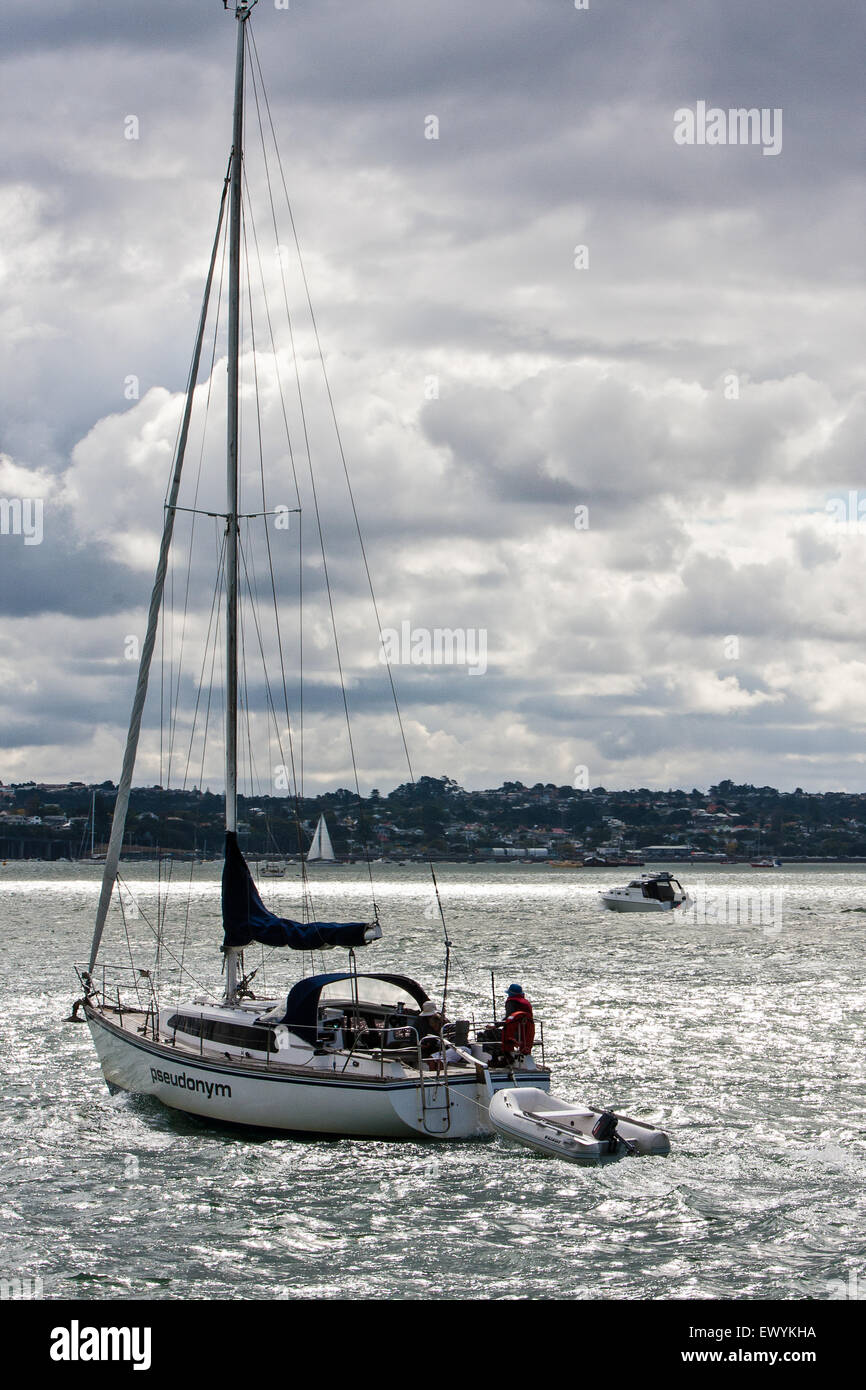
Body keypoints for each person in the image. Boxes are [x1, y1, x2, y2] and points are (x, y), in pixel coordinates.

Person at [499, 983, 535, 1058]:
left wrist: (495, 1026)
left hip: (514, 1032)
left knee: (490, 1035)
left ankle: (503, 1056)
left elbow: (509, 1018)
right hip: (527, 1031)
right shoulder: (525, 1002)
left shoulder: (511, 1002)